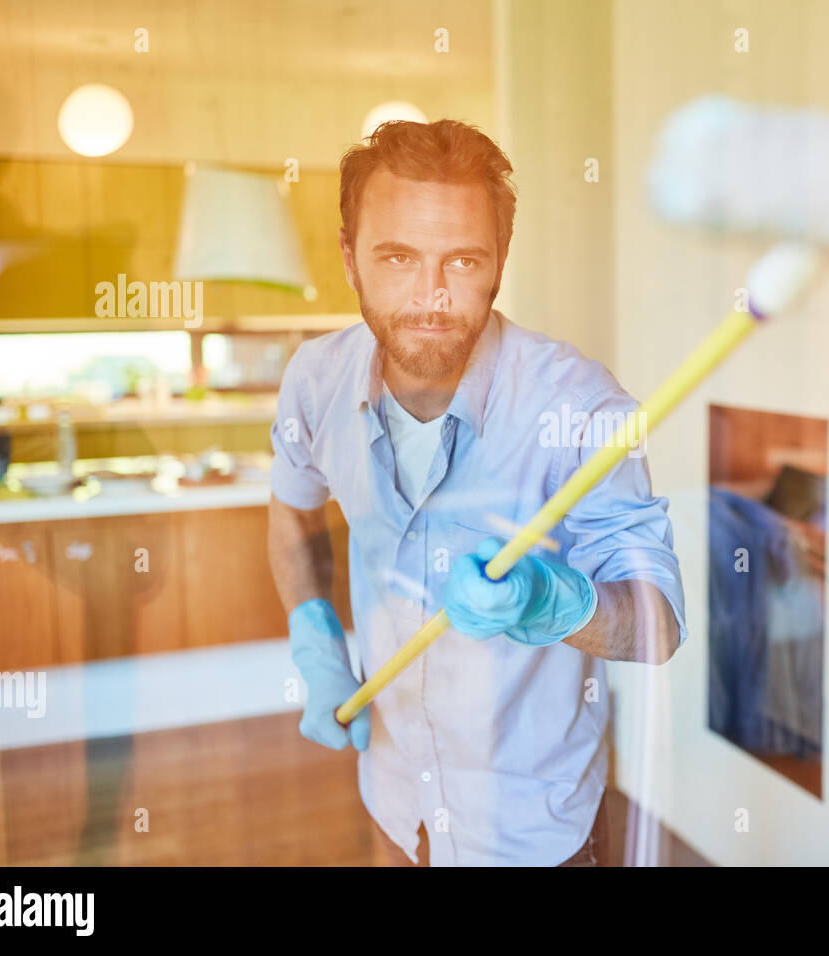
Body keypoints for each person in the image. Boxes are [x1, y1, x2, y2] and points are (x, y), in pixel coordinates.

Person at [267, 118, 687, 866]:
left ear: (499, 263)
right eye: (397, 257)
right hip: (395, 805)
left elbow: (658, 623)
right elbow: (293, 517)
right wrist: (315, 638)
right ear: (349, 258)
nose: (431, 297)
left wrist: (553, 603)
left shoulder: (583, 407)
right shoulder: (314, 382)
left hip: (536, 829)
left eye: (462, 260)